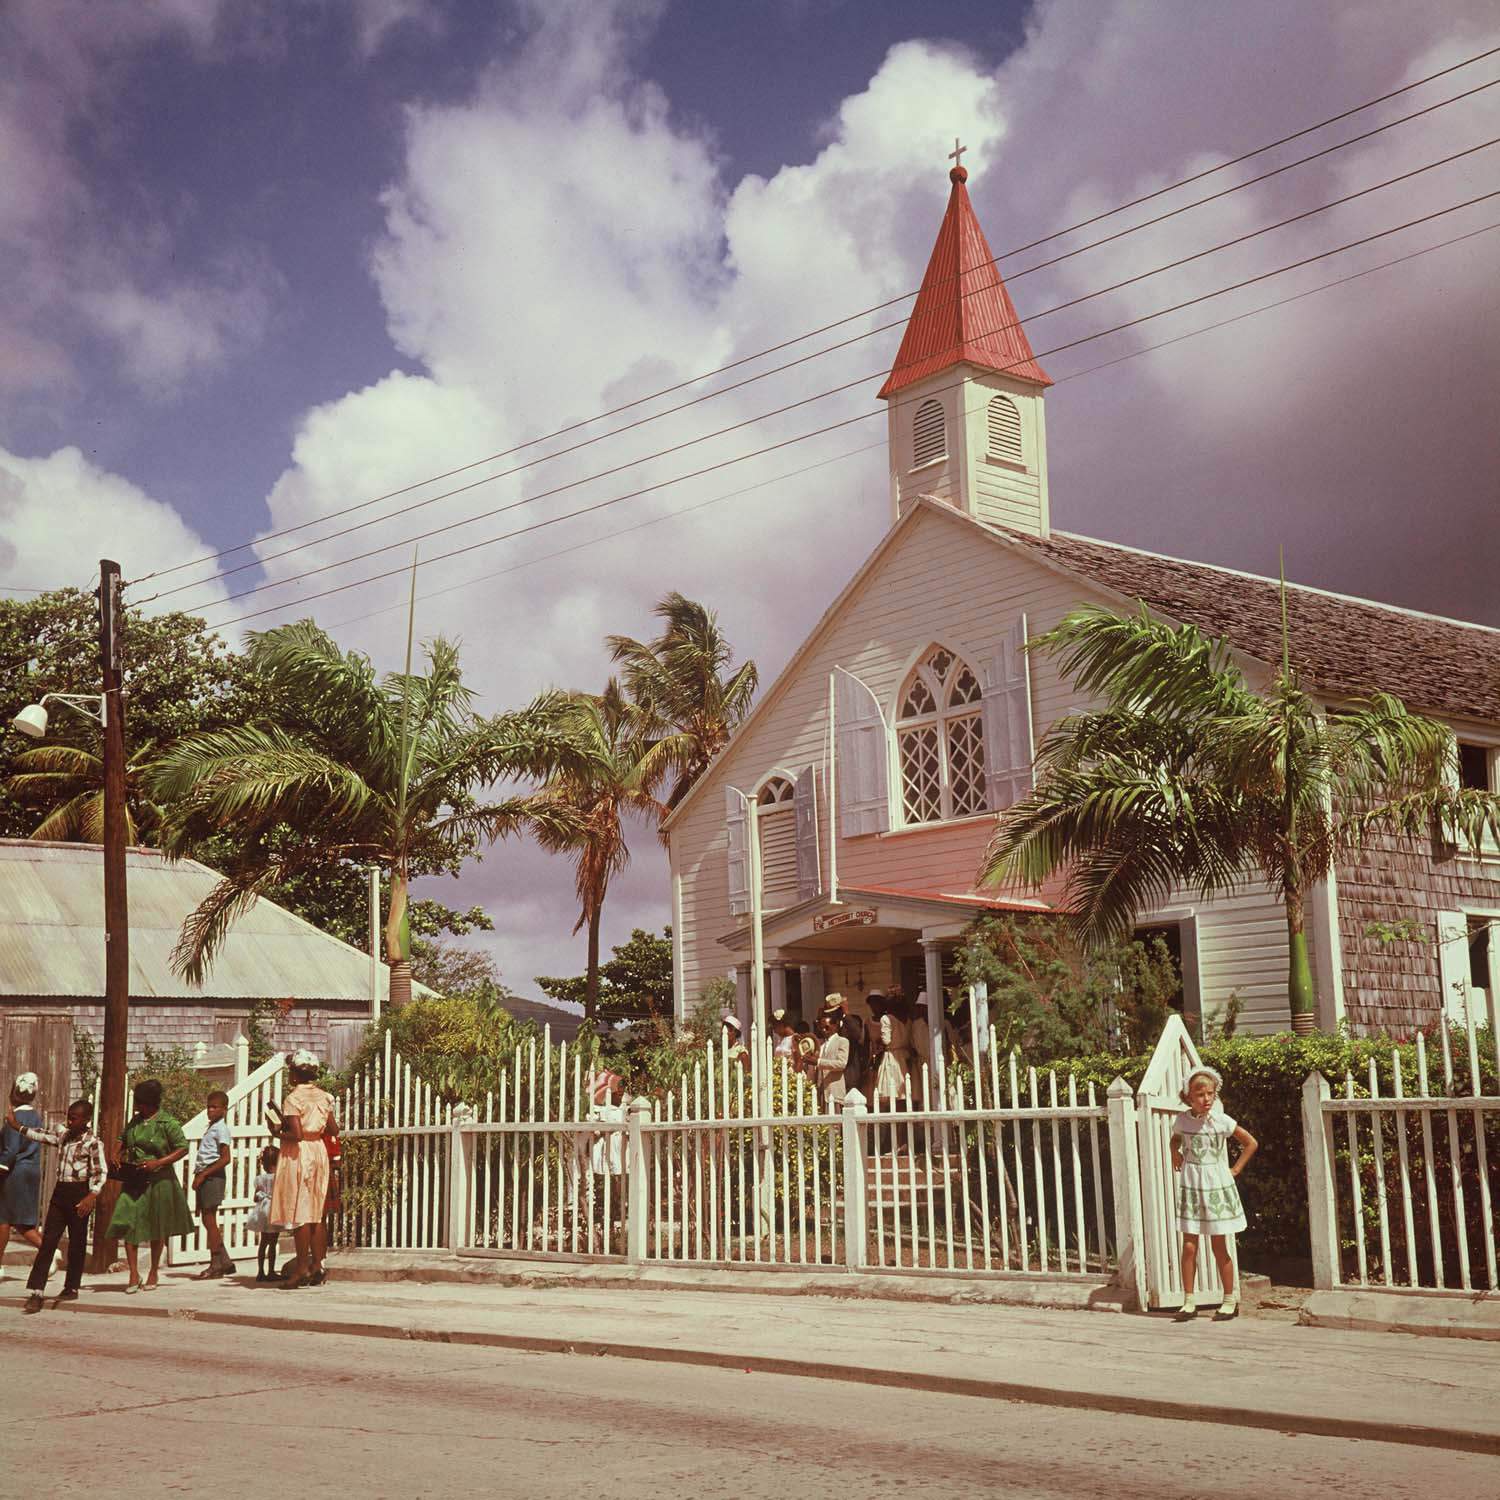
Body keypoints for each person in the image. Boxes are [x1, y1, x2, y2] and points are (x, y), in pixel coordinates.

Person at [1171, 1065, 1257, 1322]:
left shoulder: (1222, 1121)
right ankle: (1188, 1301)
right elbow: (1176, 1138)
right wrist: (1174, 1150)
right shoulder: (1182, 1120)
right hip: (1193, 1183)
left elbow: (1250, 1142)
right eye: (1200, 1095)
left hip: (1216, 1184)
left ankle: (1229, 1300)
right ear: (1188, 1097)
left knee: (1219, 1245)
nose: (1206, 1099)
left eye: (1210, 1094)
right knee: (1189, 1245)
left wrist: (1235, 1170)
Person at [7, 1096, 107, 1313]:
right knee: (49, 1242)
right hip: (61, 1192)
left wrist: (91, 1196)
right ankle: (37, 1292)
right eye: (69, 1118)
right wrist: (17, 1127)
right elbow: (41, 1135)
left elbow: (101, 1173)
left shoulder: (93, 1143)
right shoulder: (63, 1136)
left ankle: (71, 1286)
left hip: (81, 1193)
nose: (70, 1122)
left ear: (86, 1120)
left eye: (75, 1119)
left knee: (77, 1243)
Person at [107, 1078, 195, 1293]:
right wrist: (115, 1153)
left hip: (159, 1180)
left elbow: (183, 1148)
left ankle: (154, 1271)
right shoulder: (135, 1122)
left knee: (157, 1226)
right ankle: (133, 1274)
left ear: (148, 1103)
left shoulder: (167, 1123)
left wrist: (158, 1162)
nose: (137, 1106)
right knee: (128, 1221)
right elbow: (122, 1138)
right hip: (135, 1178)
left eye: (139, 1102)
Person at [268, 1049, 334, 1289]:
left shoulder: (293, 1098)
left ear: (295, 1075)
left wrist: (276, 1131)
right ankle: (317, 1265)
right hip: (318, 1150)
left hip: (300, 1153)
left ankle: (301, 1269)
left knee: (300, 1212)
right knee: (317, 1211)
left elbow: (295, 1135)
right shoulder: (325, 1097)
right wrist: (314, 1127)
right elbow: (333, 1129)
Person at [0, 1073, 45, 1272]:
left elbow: (10, 1150)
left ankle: (48, 1252)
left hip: (14, 1173)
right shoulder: (36, 1117)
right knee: (18, 1219)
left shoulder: (14, 1117)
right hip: (32, 1170)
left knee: (4, 1219)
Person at [191, 1088, 235, 1279]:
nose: (210, 1111)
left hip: (212, 1177)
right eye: (208, 1107)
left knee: (210, 1220)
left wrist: (203, 1175)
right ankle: (225, 1261)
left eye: (215, 1107)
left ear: (224, 1109)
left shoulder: (222, 1129)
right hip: (205, 1176)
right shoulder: (212, 1127)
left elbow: (225, 1158)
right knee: (207, 1220)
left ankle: (216, 1263)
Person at [245, 1145, 280, 1283]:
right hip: (274, 1211)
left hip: (263, 1211)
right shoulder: (279, 1178)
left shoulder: (260, 1179)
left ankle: (260, 1271)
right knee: (273, 1243)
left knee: (263, 1242)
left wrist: (263, 1196)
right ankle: (271, 1271)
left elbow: (255, 1198)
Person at [814, 997, 850, 1111]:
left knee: (836, 1127)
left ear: (835, 1026)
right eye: (822, 1027)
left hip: (835, 1093)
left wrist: (818, 1062)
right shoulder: (821, 1045)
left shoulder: (842, 1041)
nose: (824, 1030)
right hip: (822, 1093)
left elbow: (841, 1064)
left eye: (827, 1027)